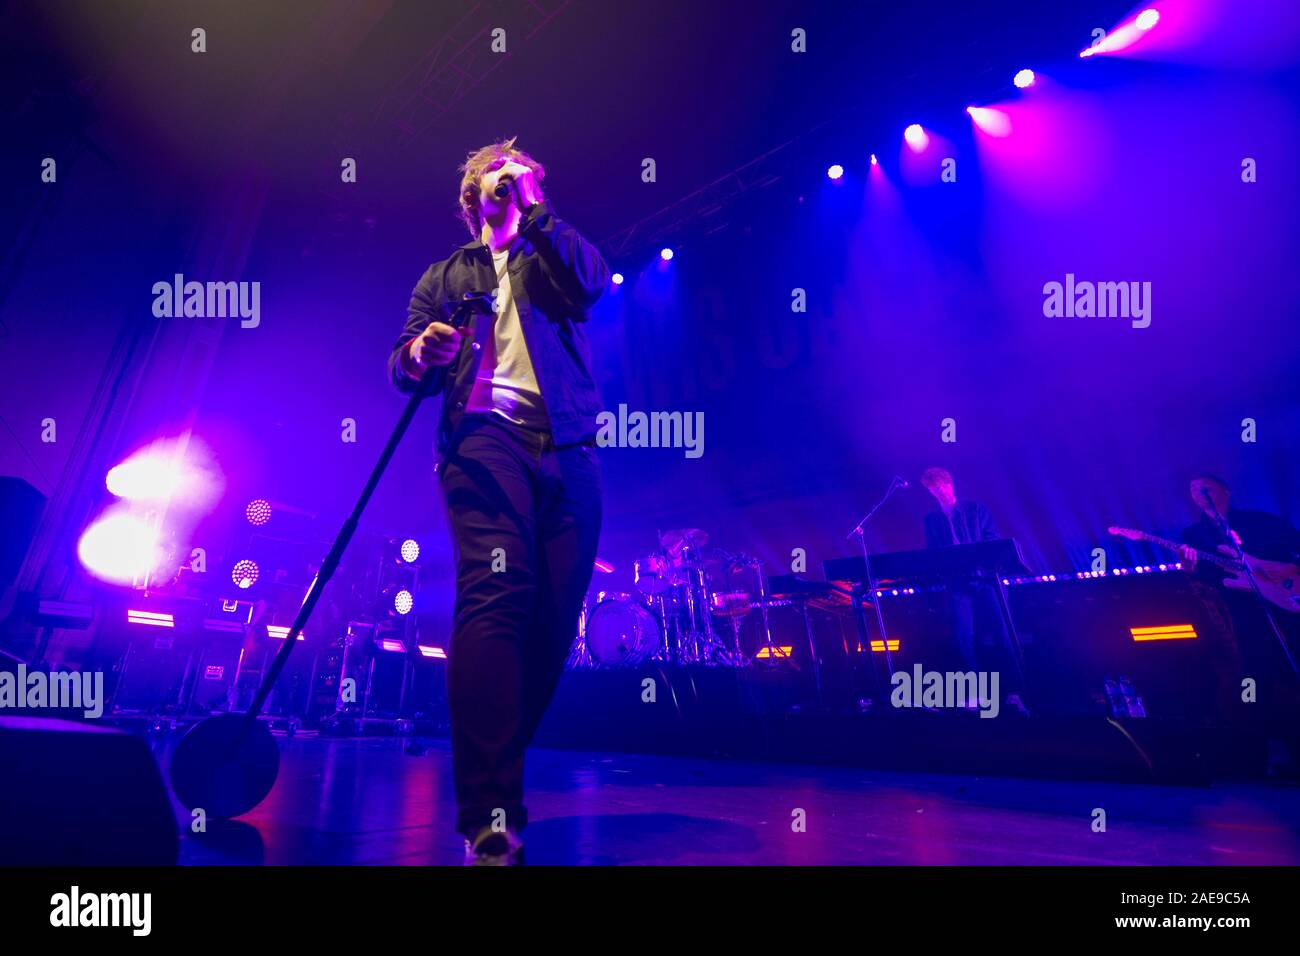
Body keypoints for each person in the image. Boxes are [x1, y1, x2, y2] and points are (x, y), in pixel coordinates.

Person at [388, 138, 609, 864]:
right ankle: (490, 813)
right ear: (469, 200)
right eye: (493, 174)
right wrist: (424, 350)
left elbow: (594, 282)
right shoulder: (446, 274)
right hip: (484, 440)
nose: (506, 182)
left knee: (553, 621)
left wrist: (539, 212)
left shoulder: (552, 255)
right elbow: (400, 363)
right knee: (496, 598)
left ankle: (495, 756)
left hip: (569, 449)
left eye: (517, 174)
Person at [1179, 474, 1300, 772]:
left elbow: (1295, 550)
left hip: (1286, 605)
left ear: (1225, 490)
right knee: (1259, 678)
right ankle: (1274, 749)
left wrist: (1286, 568)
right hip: (1242, 613)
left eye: (1205, 486)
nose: (1199, 491)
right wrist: (1191, 569)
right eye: (1193, 489)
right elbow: (1207, 580)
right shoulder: (1194, 535)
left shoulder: (1261, 521)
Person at [919, 467, 1028, 714]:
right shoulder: (931, 520)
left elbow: (992, 539)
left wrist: (979, 565)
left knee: (1004, 636)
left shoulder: (976, 509)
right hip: (958, 584)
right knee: (961, 638)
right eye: (934, 490)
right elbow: (933, 554)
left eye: (942, 487)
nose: (940, 493)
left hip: (987, 580)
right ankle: (974, 695)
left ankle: (1016, 694)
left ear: (951, 485)